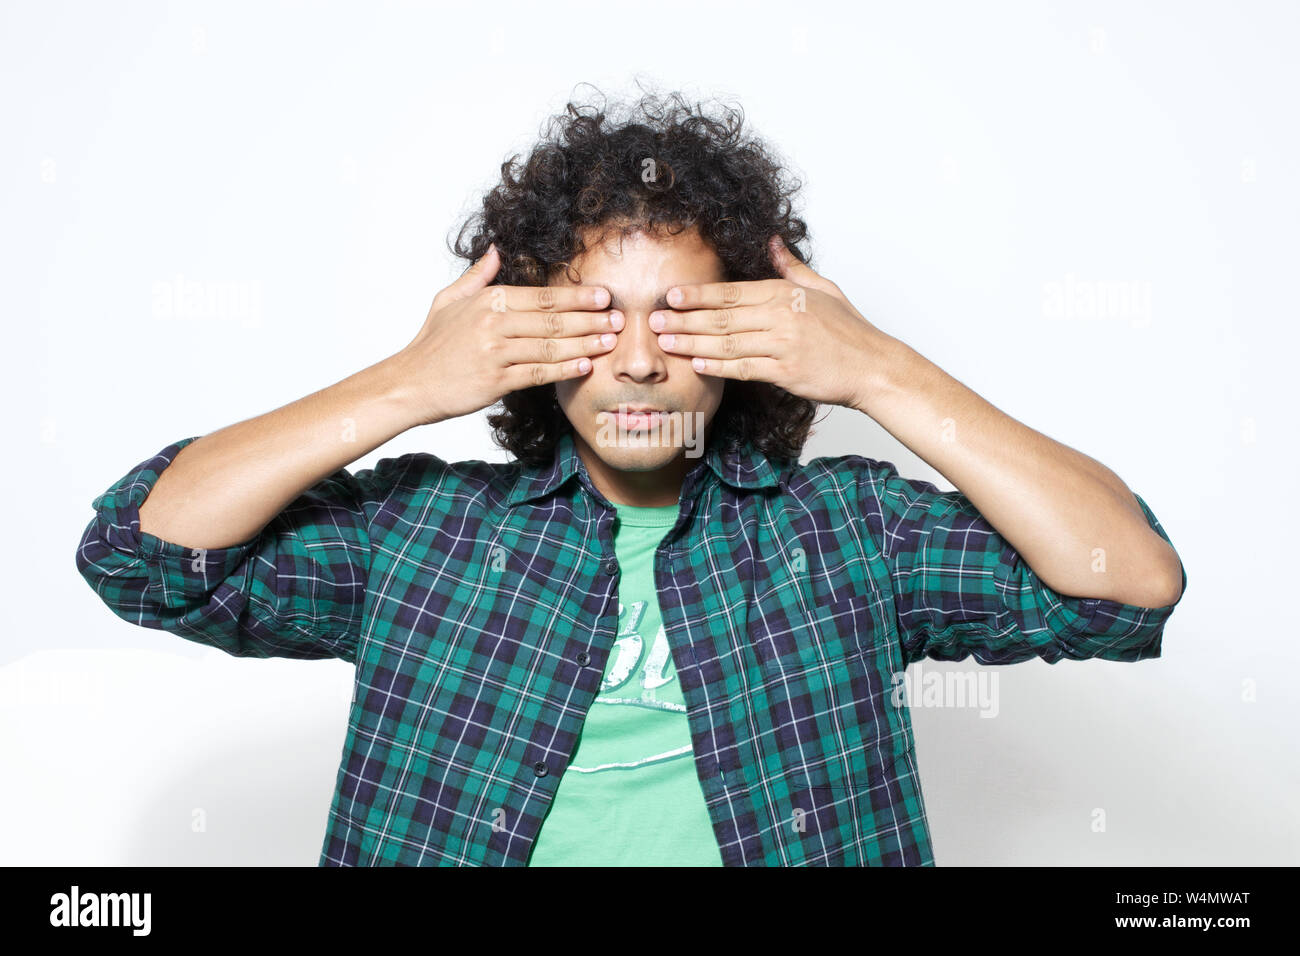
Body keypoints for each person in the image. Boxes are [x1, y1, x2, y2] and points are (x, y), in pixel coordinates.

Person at [75, 87, 1186, 866]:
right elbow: (145, 555)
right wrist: (405, 383)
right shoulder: (420, 535)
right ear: (528, 334)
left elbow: (1126, 581)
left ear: (751, 334)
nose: (642, 358)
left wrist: (881, 369)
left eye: (682, 317)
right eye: (597, 318)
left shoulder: (848, 531)